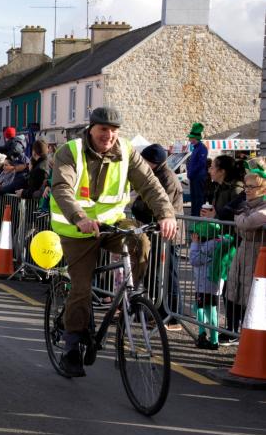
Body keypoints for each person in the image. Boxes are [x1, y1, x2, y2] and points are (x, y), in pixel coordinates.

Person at [50, 106, 176, 377]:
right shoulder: (70, 151)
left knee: (140, 241)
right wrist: (79, 216)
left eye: (114, 130)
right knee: (81, 288)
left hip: (112, 223)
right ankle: (71, 347)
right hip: (77, 230)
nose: (109, 135)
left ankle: (131, 297)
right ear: (91, 129)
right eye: (103, 129)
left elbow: (150, 184)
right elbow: (61, 188)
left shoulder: (127, 151)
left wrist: (166, 214)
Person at [131, 143, 185, 330]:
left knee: (170, 275)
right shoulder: (156, 175)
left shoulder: (167, 177)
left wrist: (138, 207)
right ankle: (159, 312)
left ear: (153, 161)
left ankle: (174, 317)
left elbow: (162, 206)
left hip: (168, 234)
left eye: (145, 160)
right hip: (155, 231)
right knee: (156, 274)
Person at [224, 158, 266, 343]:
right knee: (236, 296)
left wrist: (239, 216)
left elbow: (246, 223)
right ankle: (240, 336)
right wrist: (240, 216)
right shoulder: (248, 205)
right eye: (246, 186)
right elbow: (240, 222)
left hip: (257, 259)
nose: (246, 190)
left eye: (251, 187)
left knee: (254, 303)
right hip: (244, 255)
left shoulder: (261, 208)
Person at [189, 222, 227, 350]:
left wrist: (194, 244)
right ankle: (207, 336)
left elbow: (194, 259)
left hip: (204, 284)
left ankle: (208, 338)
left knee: (207, 310)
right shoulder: (219, 242)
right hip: (213, 283)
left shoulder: (207, 247)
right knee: (206, 309)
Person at [199, 155, 246, 221]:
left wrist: (215, 216)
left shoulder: (236, 190)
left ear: (222, 171)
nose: (209, 171)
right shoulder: (219, 187)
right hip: (220, 230)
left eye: (212, 168)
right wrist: (208, 214)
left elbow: (238, 217)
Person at [186, 122, 208, 216]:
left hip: (198, 177)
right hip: (194, 177)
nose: (189, 139)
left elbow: (201, 163)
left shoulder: (202, 148)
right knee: (194, 197)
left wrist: (192, 172)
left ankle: (197, 216)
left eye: (191, 138)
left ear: (195, 139)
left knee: (198, 198)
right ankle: (194, 215)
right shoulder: (195, 148)